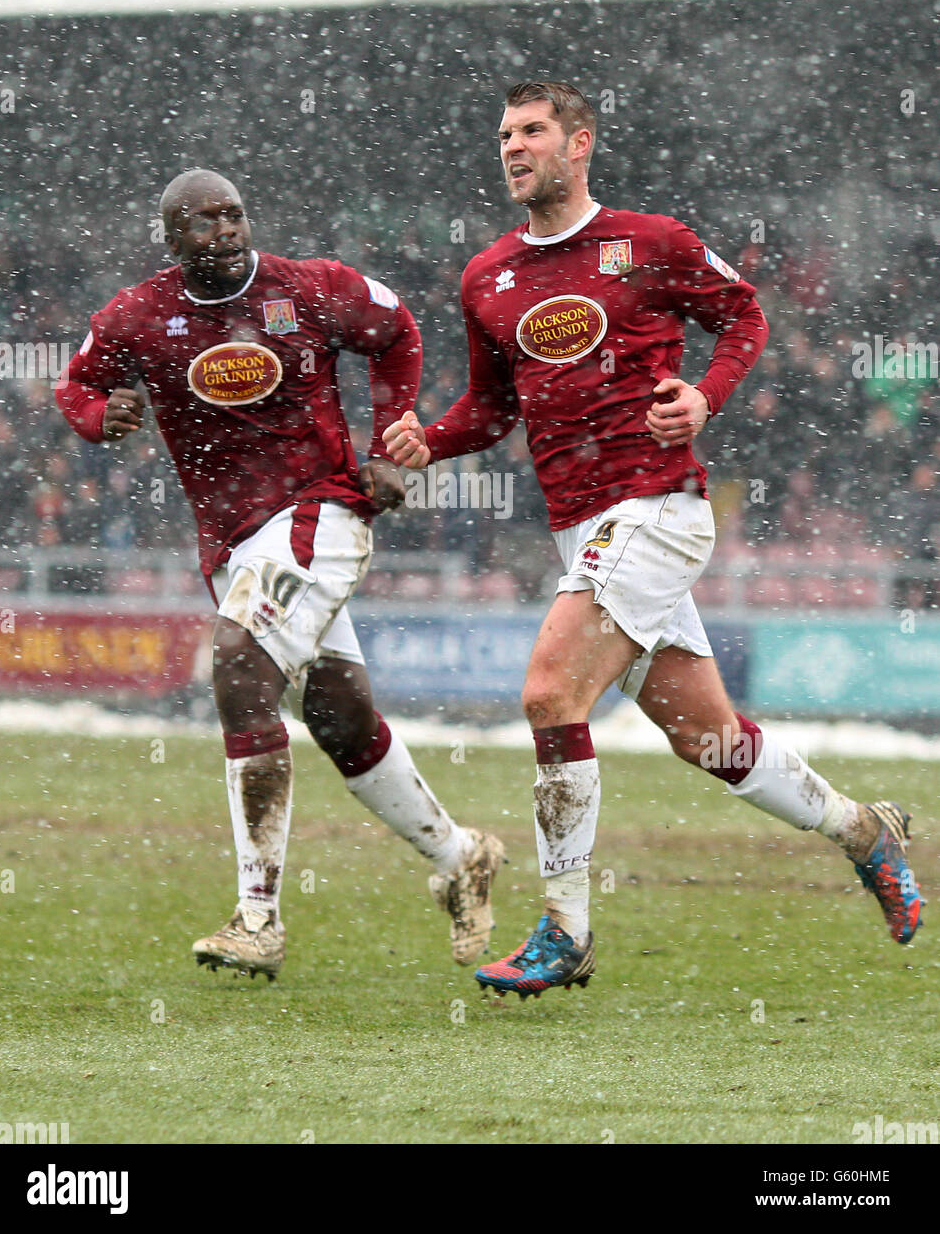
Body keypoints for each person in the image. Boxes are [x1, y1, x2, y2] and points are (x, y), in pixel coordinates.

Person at [384, 81, 923, 998]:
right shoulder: (487, 277)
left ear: (579, 142)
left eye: (532, 133)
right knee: (712, 743)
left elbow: (744, 315)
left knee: (550, 693)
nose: (513, 149)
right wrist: (425, 442)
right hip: (579, 530)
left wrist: (705, 395)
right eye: (504, 136)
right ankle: (864, 831)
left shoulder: (650, 243)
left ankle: (565, 929)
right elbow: (490, 406)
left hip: (658, 508)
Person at [55, 168, 503, 981]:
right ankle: (461, 854)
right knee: (340, 719)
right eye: (203, 222)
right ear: (172, 238)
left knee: (235, 664)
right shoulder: (137, 316)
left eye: (234, 216)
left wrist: (389, 439)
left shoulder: (311, 289)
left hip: (316, 513)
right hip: (229, 541)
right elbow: (78, 383)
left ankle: (257, 917)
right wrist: (99, 418)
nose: (224, 232)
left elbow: (397, 328)